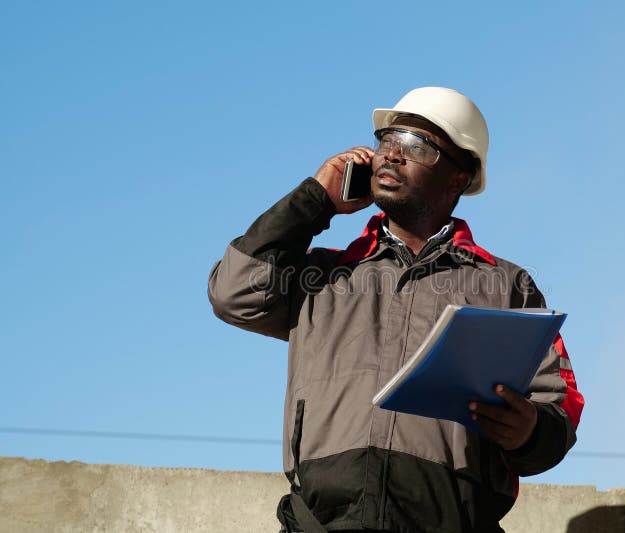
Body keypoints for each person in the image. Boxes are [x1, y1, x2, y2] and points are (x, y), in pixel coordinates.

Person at [207, 87, 584, 533]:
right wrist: (315, 200)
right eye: (388, 141)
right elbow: (233, 293)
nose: (392, 155)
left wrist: (529, 432)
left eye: (416, 146)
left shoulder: (506, 285)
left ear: (458, 176)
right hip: (320, 524)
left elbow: (560, 405)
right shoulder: (323, 275)